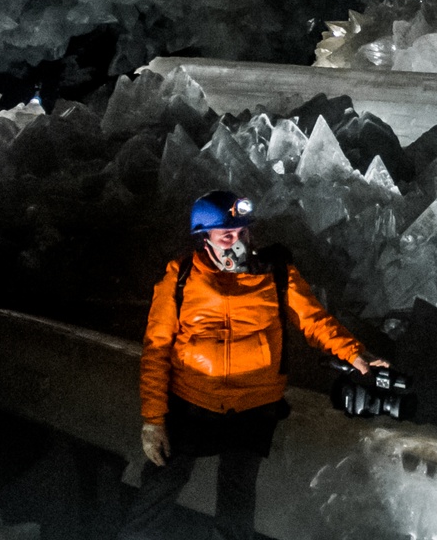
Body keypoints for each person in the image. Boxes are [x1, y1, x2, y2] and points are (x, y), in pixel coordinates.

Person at [122, 190, 385, 540]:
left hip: (253, 407)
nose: (237, 240)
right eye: (226, 235)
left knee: (238, 496)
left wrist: (356, 354)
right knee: (161, 483)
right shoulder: (181, 277)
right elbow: (156, 349)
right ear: (205, 239)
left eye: (243, 231)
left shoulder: (275, 274)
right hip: (193, 402)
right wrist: (153, 420)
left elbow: (314, 321)